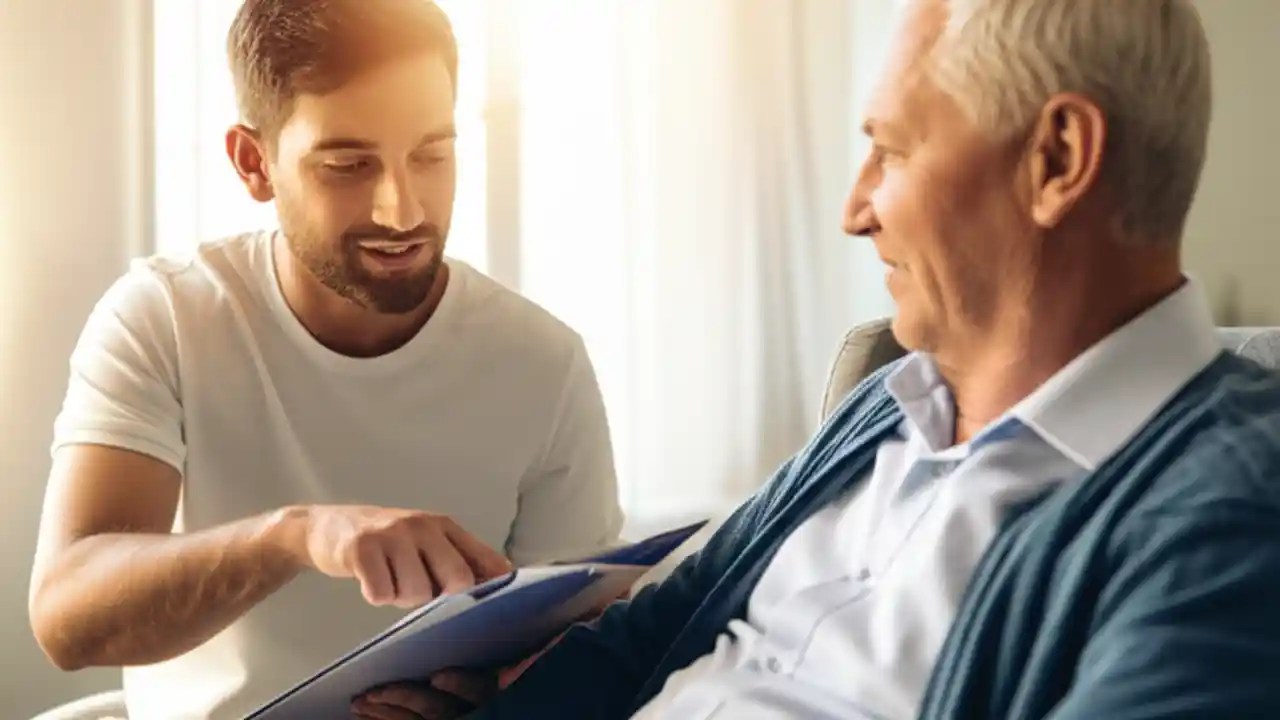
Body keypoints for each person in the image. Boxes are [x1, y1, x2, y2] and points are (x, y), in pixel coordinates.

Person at [456, 0, 1280, 718]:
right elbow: (647, 634)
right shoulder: (890, 401)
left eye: (890, 150)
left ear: (1057, 159)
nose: (855, 211)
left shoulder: (1229, 513)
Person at [26, 1, 623, 718]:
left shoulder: (544, 364)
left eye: (431, 155)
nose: (402, 212)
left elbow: (586, 653)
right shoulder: (166, 318)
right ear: (255, 163)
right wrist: (297, 537)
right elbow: (67, 620)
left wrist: (489, 702)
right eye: (348, 166)